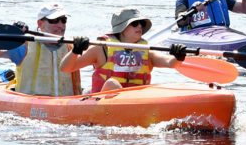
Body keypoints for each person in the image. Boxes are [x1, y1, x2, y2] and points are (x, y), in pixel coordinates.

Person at [59, 7, 188, 93]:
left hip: (135, 103)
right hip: (102, 103)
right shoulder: (101, 48)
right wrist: (75, 51)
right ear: (121, 28)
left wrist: (178, 56)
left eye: (142, 23)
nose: (139, 26)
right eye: (134, 23)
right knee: (112, 84)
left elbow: (170, 63)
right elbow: (65, 68)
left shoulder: (146, 51)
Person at [0, 3, 82, 96]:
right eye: (54, 21)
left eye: (63, 20)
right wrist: (12, 35)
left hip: (69, 104)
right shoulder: (24, 45)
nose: (60, 25)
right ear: (40, 23)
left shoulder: (74, 47)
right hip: (31, 104)